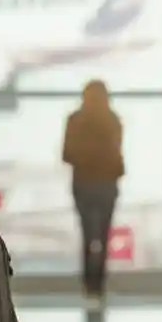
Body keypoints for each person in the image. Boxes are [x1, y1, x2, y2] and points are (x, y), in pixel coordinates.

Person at [62, 80, 125, 305]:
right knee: (103, 236)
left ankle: (90, 287)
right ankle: (98, 287)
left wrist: (86, 158)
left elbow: (66, 154)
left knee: (88, 235)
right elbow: (117, 152)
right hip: (106, 184)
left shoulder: (75, 120)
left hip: (83, 183)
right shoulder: (113, 120)